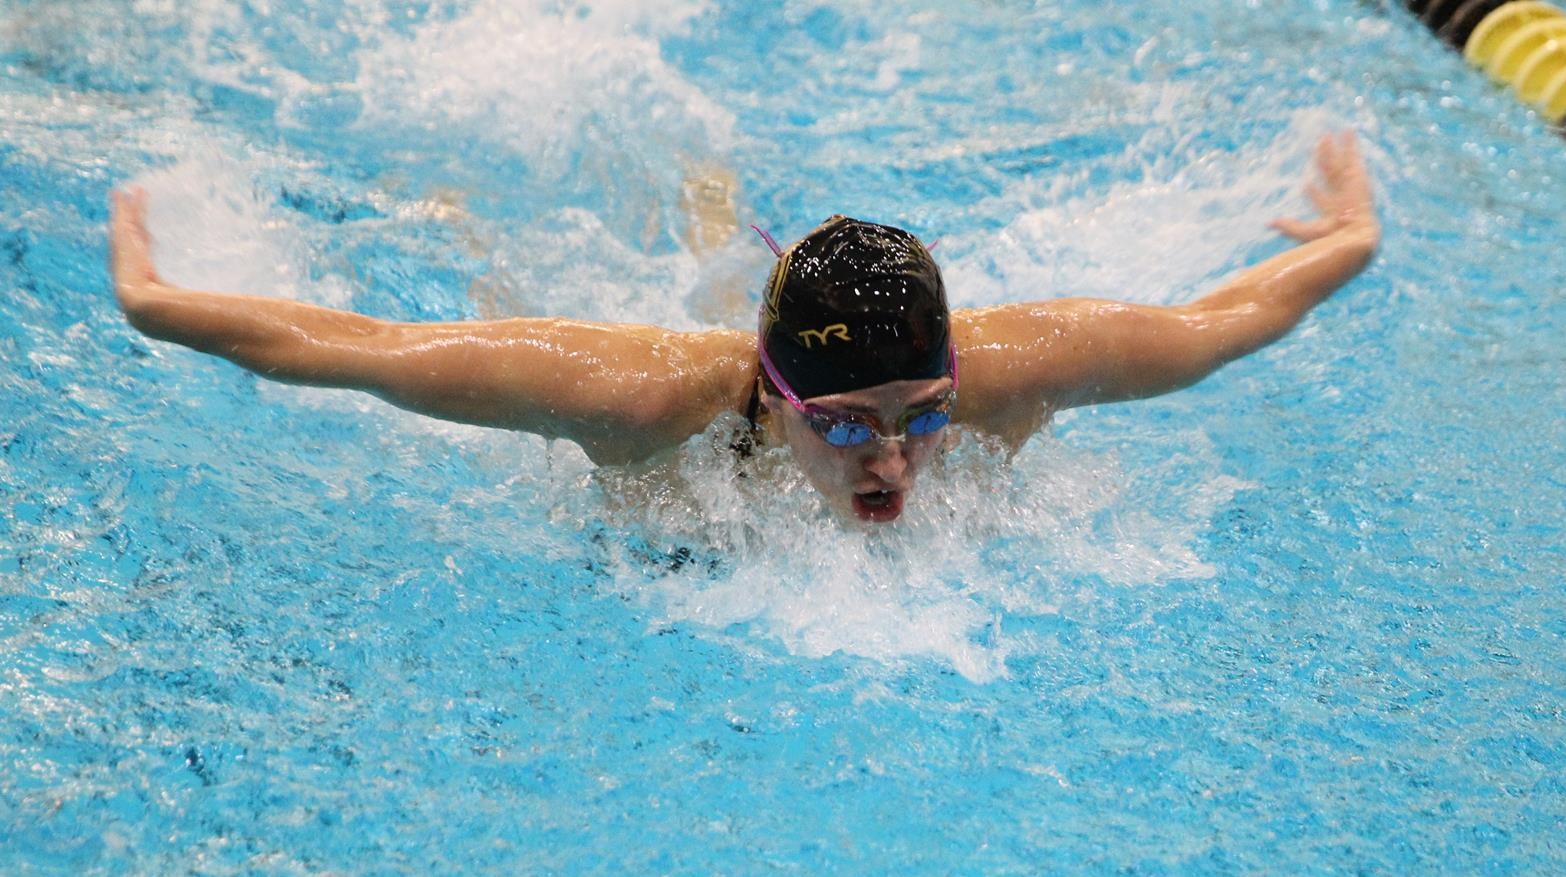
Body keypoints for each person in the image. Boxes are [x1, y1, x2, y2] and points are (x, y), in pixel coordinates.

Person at [109, 132, 1379, 523]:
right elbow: (366, 348)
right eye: (843, 425)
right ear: (775, 396)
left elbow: (1223, 323)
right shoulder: (636, 399)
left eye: (920, 417)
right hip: (680, 360)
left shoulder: (1015, 372)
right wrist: (158, 302)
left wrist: (1349, 239)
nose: (891, 463)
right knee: (511, 262)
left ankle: (718, 209)